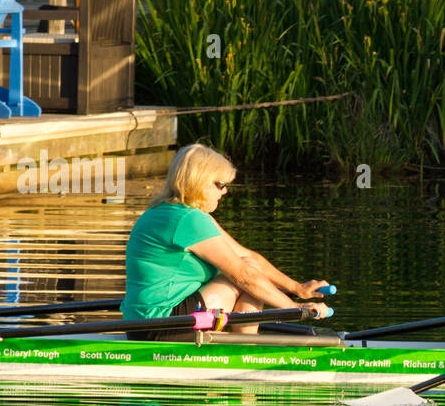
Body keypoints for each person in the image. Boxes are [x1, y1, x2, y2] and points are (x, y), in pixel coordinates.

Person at [122, 143, 330, 340]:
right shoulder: (188, 219)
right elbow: (243, 275)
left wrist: (297, 288)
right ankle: (246, 349)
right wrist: (294, 308)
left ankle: (245, 344)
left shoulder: (171, 212)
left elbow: (247, 256)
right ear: (199, 181)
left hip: (143, 326)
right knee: (246, 278)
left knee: (250, 269)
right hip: (163, 327)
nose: (225, 191)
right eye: (220, 184)